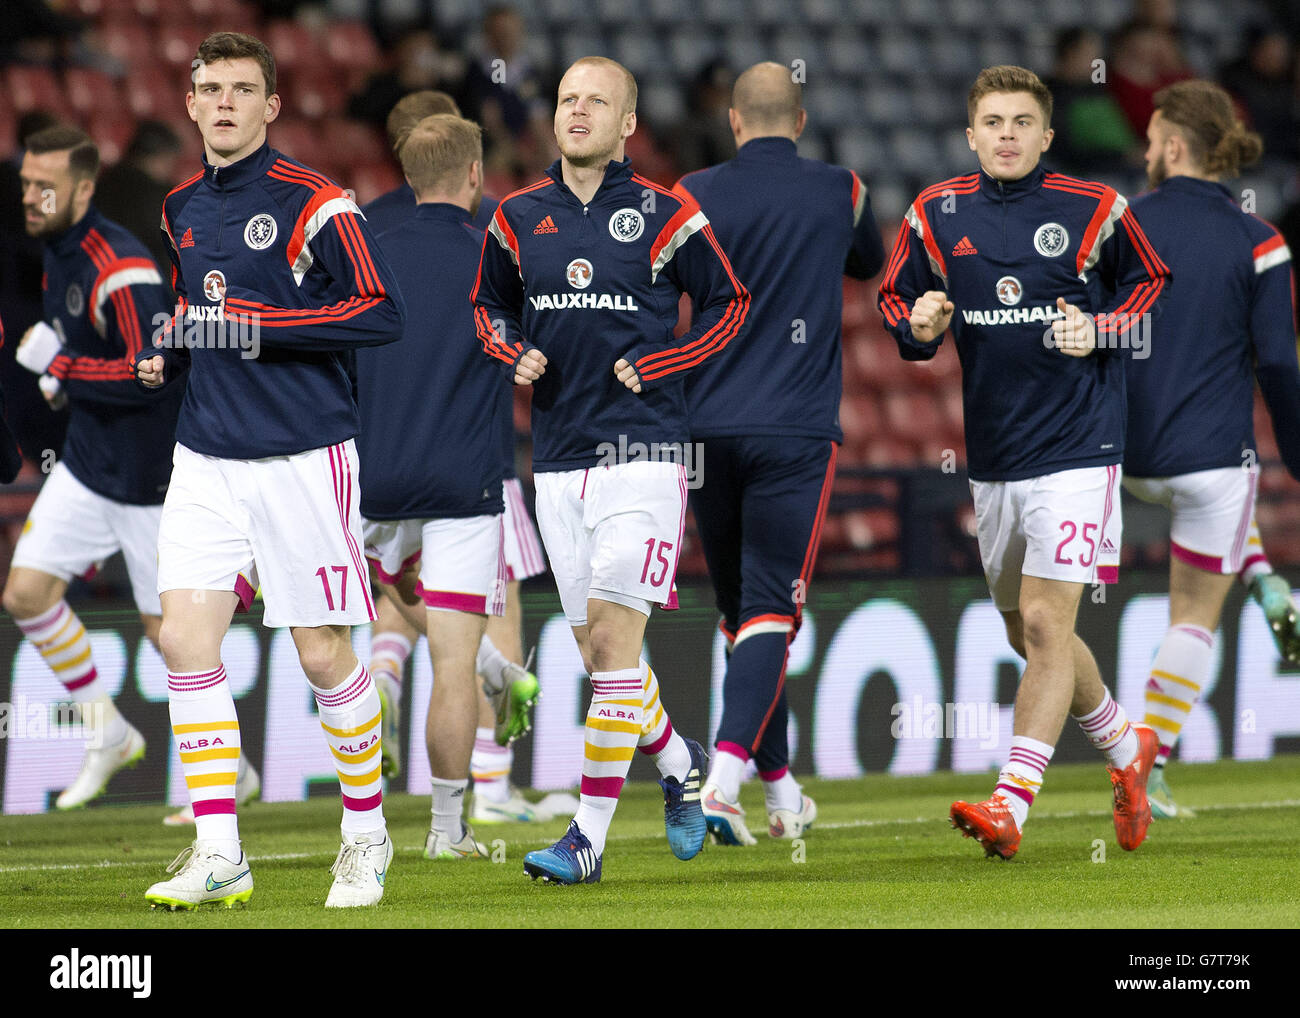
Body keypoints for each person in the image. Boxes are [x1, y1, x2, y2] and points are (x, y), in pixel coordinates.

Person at [135, 31, 405, 910]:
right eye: (208, 88)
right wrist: (171, 352)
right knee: (184, 639)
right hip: (204, 453)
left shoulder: (317, 203)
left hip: (301, 455)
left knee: (321, 654)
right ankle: (221, 853)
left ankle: (366, 835)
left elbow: (379, 312)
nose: (223, 104)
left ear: (271, 106)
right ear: (189, 102)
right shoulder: (179, 208)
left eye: (241, 90)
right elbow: (198, 309)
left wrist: (263, 327)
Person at [878, 65, 1170, 860]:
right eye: (993, 122)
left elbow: (1151, 286)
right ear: (971, 135)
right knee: (1024, 629)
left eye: (1022, 122)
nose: (1007, 134)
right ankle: (1124, 745)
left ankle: (1012, 804)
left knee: (1046, 620)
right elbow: (894, 302)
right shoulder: (935, 211)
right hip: (995, 456)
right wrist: (922, 323)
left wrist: (1103, 328)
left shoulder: (1096, 208)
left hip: (1080, 447)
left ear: (1046, 135)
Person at [473, 55, 750, 884]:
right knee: (605, 659)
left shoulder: (668, 215)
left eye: (597, 101)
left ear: (629, 123)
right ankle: (677, 762)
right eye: (566, 100)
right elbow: (486, 307)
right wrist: (510, 349)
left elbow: (731, 303)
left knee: (612, 638)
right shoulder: (517, 217)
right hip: (556, 461)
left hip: (646, 456)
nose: (578, 112)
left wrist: (670, 363)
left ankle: (585, 838)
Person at [672, 62, 885, 845]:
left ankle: (782, 787)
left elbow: (666, 293)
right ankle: (722, 782)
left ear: (733, 122)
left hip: (701, 427)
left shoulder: (689, 193)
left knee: (740, 615)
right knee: (770, 609)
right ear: (799, 121)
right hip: (792, 429)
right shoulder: (842, 188)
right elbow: (870, 263)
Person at [1123, 79, 1299, 819]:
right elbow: (1279, 363)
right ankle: (1146, 767)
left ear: (1169, 146)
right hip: (1213, 462)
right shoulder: (1259, 240)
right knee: (1192, 619)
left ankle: (1262, 579)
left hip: (1122, 460)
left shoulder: (1118, 225)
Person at [357, 112, 518, 860]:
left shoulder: (367, 256)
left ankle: (362, 821)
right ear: (476, 175)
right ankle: (448, 832)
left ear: (410, 179)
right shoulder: (497, 258)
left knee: (377, 615)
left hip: (375, 486)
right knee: (453, 666)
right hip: (465, 486)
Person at [5, 124, 178, 807]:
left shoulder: (123, 268)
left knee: (175, 642)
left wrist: (63, 368)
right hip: (87, 464)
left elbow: (153, 375)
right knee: (25, 594)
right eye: (25, 184)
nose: (30, 197)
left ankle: (227, 778)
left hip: (149, 481)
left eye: (45, 187)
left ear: (83, 188)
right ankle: (106, 731)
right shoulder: (57, 254)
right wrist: (62, 377)